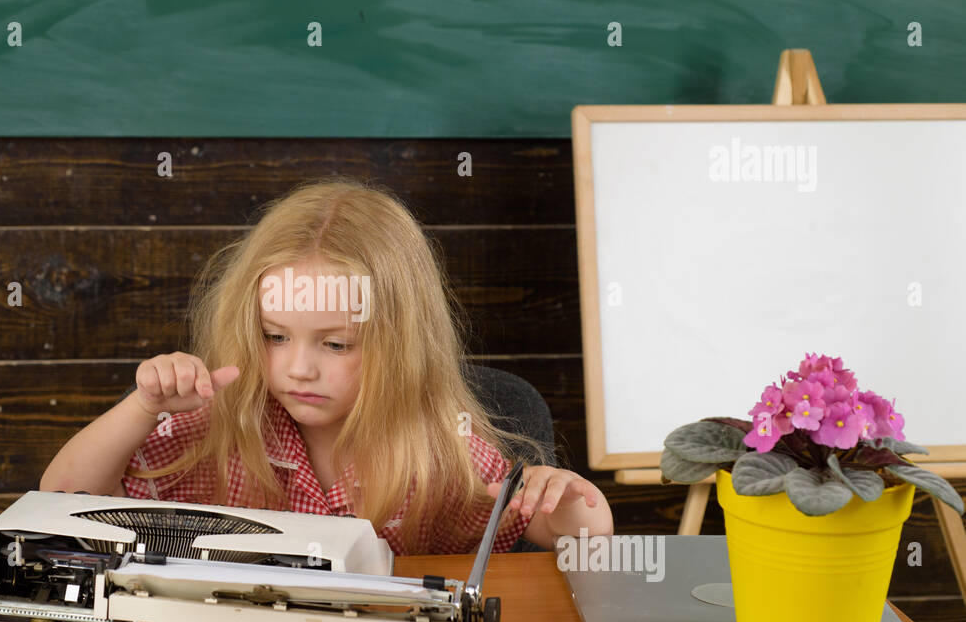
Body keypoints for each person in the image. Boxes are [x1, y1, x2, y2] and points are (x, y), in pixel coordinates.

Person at [40, 177, 613, 556]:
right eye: (274, 337)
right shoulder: (219, 424)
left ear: (401, 344)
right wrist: (142, 408)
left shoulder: (438, 446)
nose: (298, 369)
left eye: (335, 345)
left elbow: (579, 542)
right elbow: (61, 500)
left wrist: (567, 500)